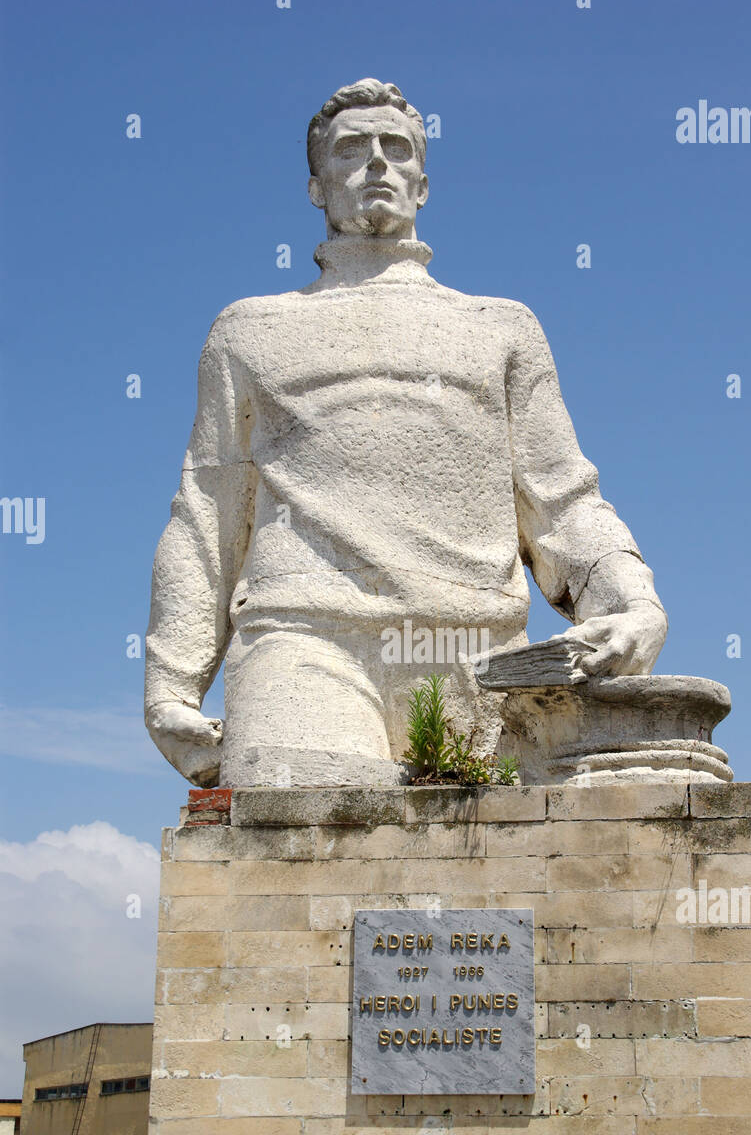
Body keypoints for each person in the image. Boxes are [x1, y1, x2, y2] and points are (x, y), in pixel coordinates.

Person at [145, 79, 667, 788]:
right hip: (306, 640)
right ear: (315, 185)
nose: (378, 164)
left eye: (397, 149)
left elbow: (562, 499)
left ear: (423, 183)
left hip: (474, 645)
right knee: (305, 817)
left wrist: (633, 601)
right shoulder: (250, 329)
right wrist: (170, 687)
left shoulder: (501, 326)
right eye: (352, 149)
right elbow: (207, 511)